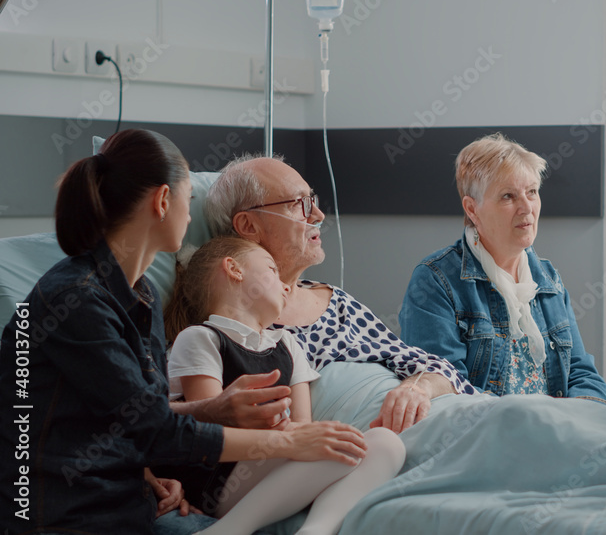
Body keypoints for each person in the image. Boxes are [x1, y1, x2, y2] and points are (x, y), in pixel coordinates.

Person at [0, 129, 370, 535]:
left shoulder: (140, 295)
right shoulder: (75, 300)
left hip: (131, 500)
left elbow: (127, 414)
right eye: (188, 199)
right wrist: (289, 442)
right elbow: (153, 430)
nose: (191, 217)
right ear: (163, 201)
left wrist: (152, 471)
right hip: (61, 516)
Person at [203, 154, 476, 434]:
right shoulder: (232, 332)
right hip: (389, 440)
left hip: (443, 414)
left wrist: (417, 389)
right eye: (299, 204)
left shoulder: (338, 303)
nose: (318, 215)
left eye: (312, 200)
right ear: (249, 226)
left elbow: (435, 368)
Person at [162, 235, 404, 534]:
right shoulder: (200, 338)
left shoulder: (287, 344)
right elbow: (209, 436)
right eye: (272, 270)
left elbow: (303, 426)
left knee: (386, 443)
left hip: (278, 464)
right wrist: (291, 438)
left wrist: (307, 436)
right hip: (220, 476)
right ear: (234, 269)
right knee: (339, 446)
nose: (288, 286)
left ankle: (316, 530)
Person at [398, 133, 606, 404]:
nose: (527, 208)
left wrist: (584, 416)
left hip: (557, 426)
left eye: (532, 192)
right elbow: (448, 391)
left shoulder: (548, 278)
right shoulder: (436, 280)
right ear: (472, 209)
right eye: (508, 196)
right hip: (490, 428)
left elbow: (581, 373)